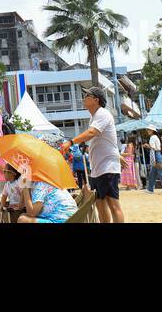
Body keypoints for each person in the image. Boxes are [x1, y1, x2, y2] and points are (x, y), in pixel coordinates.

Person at [61, 84, 123, 222]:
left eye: (87, 95)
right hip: (98, 168)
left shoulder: (102, 113)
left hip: (107, 167)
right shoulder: (94, 117)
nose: (84, 98)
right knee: (100, 203)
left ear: (96, 99)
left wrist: (70, 142)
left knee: (113, 204)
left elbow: (91, 133)